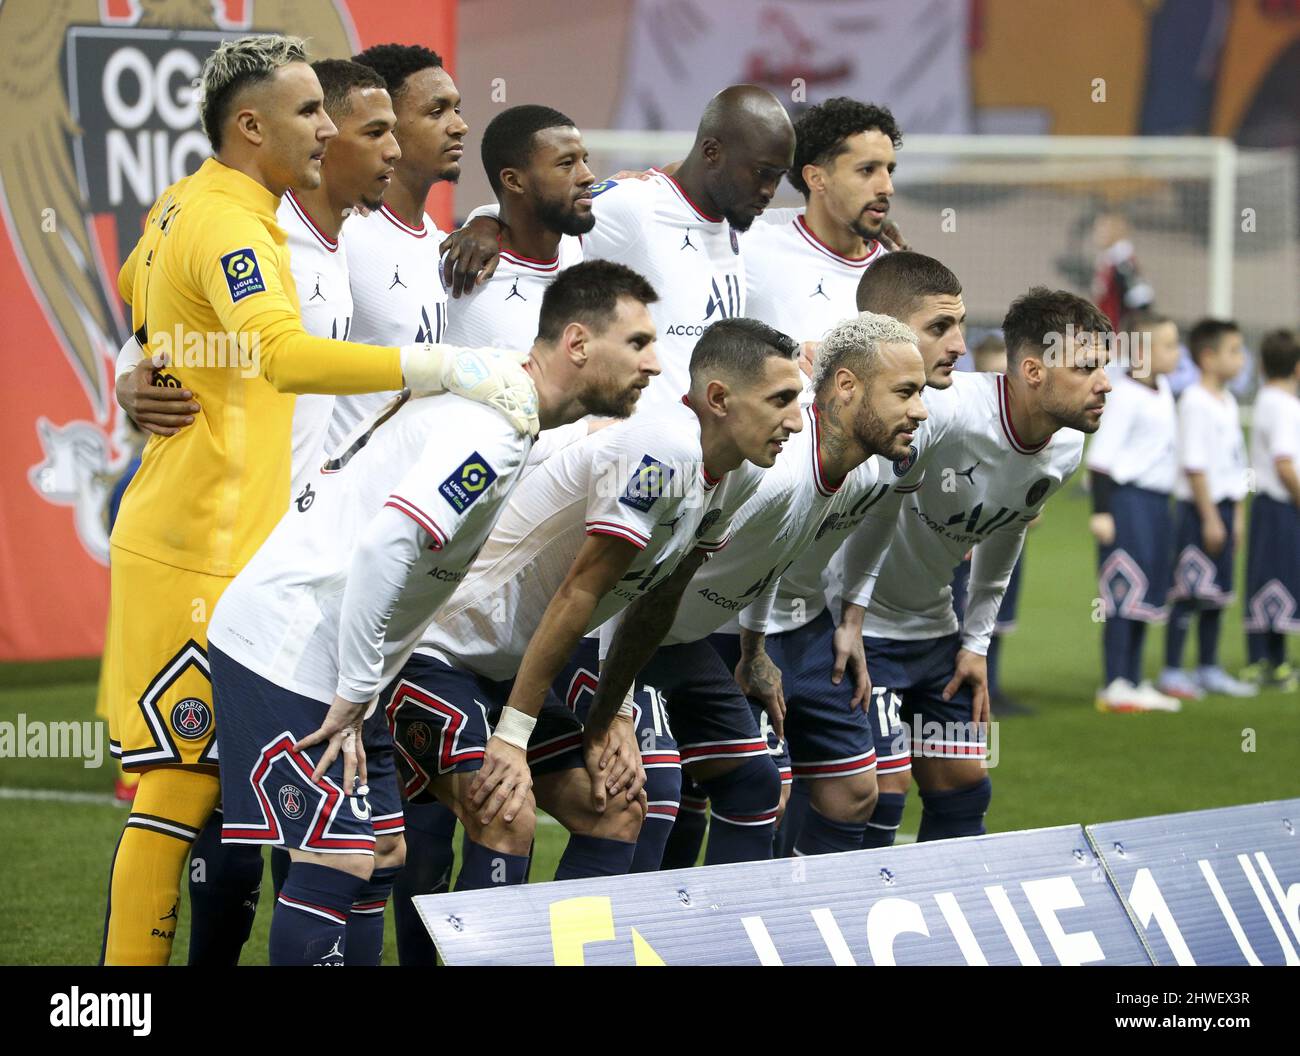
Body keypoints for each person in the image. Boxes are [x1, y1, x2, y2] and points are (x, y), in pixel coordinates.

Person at [99, 34, 533, 966]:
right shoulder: (250, 227)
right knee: (191, 801)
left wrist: (149, 353)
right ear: (263, 128)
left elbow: (146, 285)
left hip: (299, 552)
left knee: (318, 818)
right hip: (216, 548)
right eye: (323, 118)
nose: (337, 132)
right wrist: (142, 368)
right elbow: (272, 350)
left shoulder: (328, 231)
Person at [205, 261, 661, 966]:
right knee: (341, 861)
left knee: (381, 850)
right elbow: (387, 545)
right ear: (577, 344)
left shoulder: (510, 409)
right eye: (637, 344)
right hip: (292, 645)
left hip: (336, 653)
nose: (655, 364)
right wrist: (358, 688)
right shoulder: (496, 426)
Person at [387, 318, 802, 888]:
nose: (796, 420)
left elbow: (654, 602)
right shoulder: (662, 450)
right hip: (433, 651)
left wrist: (611, 717)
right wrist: (513, 736)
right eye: (781, 399)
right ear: (719, 399)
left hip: (508, 669)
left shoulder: (739, 474)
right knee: (503, 813)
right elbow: (580, 591)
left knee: (615, 808)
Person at [590, 313, 925, 866]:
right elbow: (630, 573)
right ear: (845, 387)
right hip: (615, 640)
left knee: (757, 788)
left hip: (680, 642)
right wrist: (618, 703)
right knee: (642, 799)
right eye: (906, 392)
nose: (921, 409)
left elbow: (776, 558)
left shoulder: (854, 469)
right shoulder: (774, 473)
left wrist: (753, 649)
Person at [838, 287, 1112, 843]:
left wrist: (976, 642)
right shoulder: (947, 409)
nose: (1104, 383)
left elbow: (1008, 529)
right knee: (872, 793)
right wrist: (850, 613)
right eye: (1086, 368)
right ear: (1033, 370)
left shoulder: (1064, 449)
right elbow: (875, 503)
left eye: (1104, 367)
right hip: (858, 631)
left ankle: (947, 922)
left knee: (963, 786)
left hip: (933, 631)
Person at [577, 85, 795, 407]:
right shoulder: (636, 204)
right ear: (711, 152)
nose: (769, 190)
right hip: (630, 448)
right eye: (762, 173)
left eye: (779, 176)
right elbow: (530, 218)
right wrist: (487, 223)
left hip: (702, 452)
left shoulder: (739, 219)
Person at [1087, 309, 1183, 712]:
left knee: (1149, 591)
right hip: (1129, 503)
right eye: (1168, 344)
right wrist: (1103, 511)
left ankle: (1135, 677)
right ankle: (1114, 682)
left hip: (1159, 504)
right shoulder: (1123, 394)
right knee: (1123, 589)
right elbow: (1101, 460)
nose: (1177, 353)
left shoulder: (1162, 391)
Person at [744, 97, 897, 342]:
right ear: (816, 179)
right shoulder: (752, 249)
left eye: (889, 170)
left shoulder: (897, 276)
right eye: (868, 170)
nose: (887, 187)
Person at [1158, 319, 1256, 700]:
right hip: (1199, 513)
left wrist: (1239, 516)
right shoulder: (1195, 402)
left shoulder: (1229, 402)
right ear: (1208, 356)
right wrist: (1211, 517)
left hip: (1227, 511)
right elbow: (1194, 466)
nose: (1242, 358)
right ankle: (1171, 670)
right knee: (1189, 592)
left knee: (1217, 595)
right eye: (1234, 350)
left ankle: (1208, 667)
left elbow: (1236, 465)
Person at [442, 105, 593, 349]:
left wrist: (483, 219)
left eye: (584, 160)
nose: (588, 175)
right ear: (513, 181)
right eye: (566, 163)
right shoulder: (457, 269)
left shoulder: (578, 238)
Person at [1241, 329, 1300, 690]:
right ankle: (1274, 662)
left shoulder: (1263, 399)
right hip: (1282, 504)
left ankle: (1259, 656)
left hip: (1264, 503)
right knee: (1280, 578)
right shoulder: (1288, 407)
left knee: (1263, 577)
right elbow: (1284, 462)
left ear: (1261, 365)